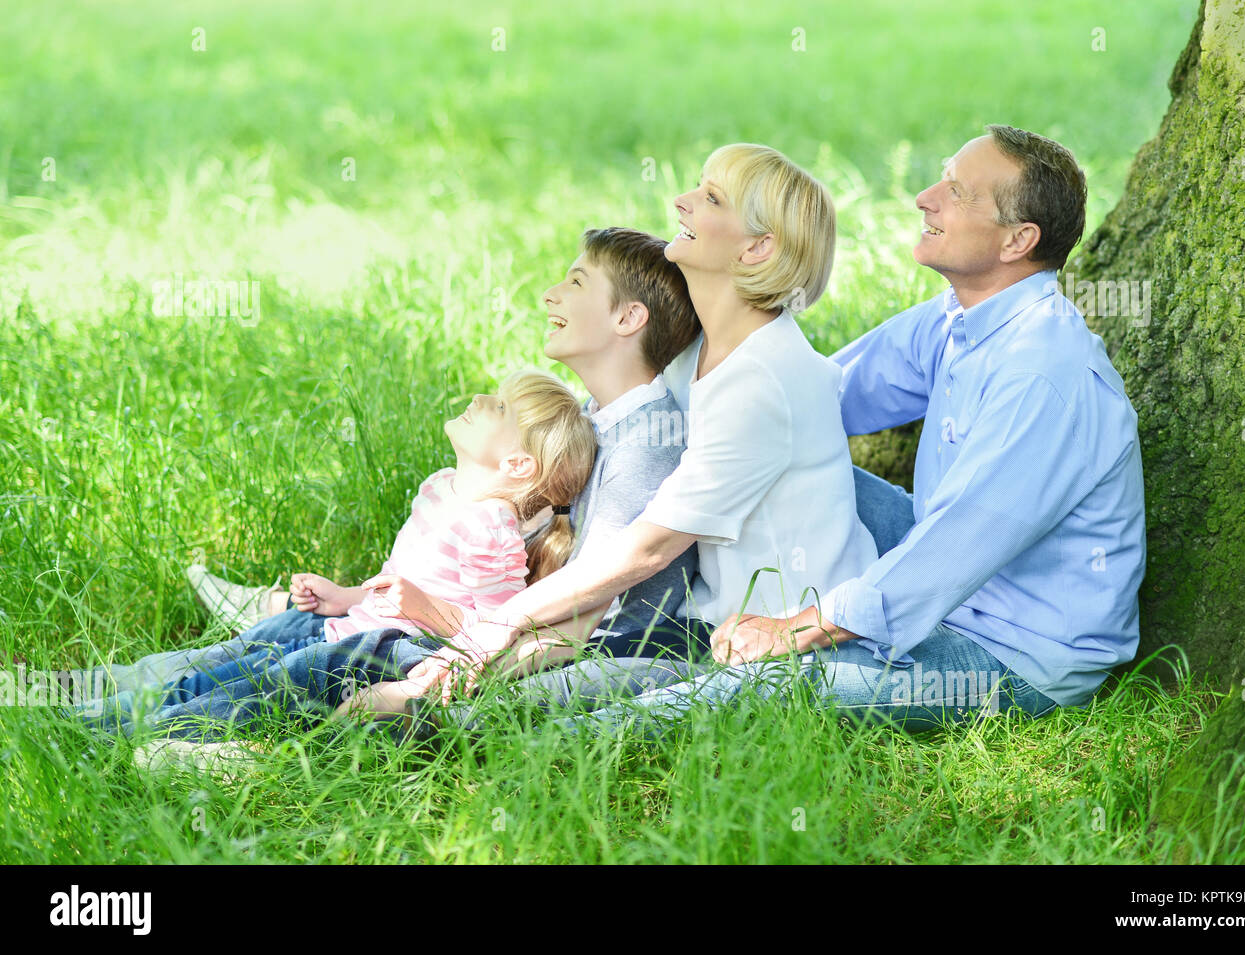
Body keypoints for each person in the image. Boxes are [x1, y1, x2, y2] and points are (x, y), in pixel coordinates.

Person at [451, 125, 1147, 736]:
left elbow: (952, 550)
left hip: (1011, 648)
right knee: (786, 463)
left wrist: (795, 629)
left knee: (777, 687)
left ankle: (538, 738)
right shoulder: (960, 320)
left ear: (1017, 240)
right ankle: (617, 622)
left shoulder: (1041, 375)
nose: (924, 198)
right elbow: (820, 398)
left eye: (958, 192)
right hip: (956, 577)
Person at [78, 227, 705, 741]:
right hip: (469, 629)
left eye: (575, 283)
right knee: (259, 651)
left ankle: (125, 729)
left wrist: (447, 666)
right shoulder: (597, 417)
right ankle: (93, 698)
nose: (549, 294)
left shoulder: (642, 449)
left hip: (521, 653)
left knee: (304, 662)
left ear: (628, 317)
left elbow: (583, 621)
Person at [398, 142, 883, 715]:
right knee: (459, 673)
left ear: (758, 247)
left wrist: (495, 627)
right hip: (706, 628)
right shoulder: (698, 353)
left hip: (785, 656)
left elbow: (648, 549)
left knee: (505, 712)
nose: (682, 202)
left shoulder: (763, 381)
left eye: (710, 198)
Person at [81, 368, 598, 732]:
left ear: (517, 466)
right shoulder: (441, 485)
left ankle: (89, 729)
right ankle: (74, 689)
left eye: (501, 407)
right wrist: (346, 595)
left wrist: (421, 608)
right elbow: (396, 577)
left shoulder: (492, 532)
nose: (484, 401)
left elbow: (490, 631)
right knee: (206, 662)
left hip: (364, 653)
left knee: (223, 691)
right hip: (336, 623)